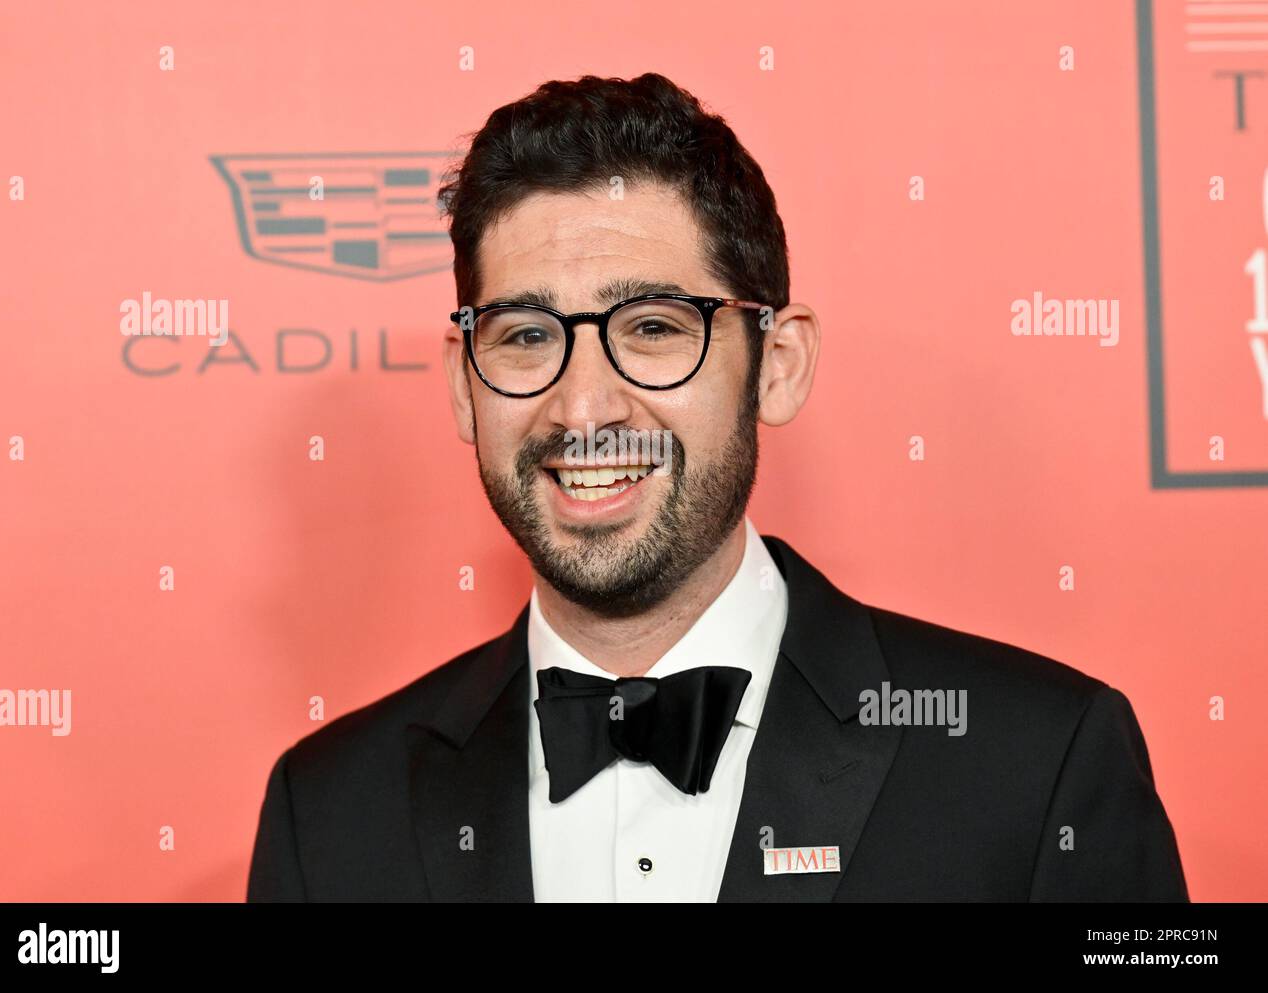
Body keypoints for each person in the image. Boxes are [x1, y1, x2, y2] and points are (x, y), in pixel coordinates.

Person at [246, 72, 1188, 902]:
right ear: (463, 382)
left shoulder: (1035, 763)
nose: (583, 408)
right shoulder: (328, 811)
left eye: (653, 327)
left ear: (776, 363)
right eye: (527, 335)